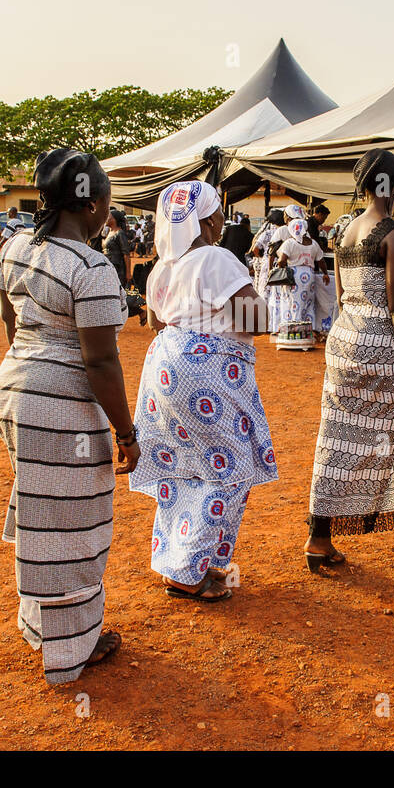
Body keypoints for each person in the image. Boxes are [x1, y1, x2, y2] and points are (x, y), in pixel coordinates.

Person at [0, 148, 137, 684]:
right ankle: (74, 643)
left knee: (40, 510)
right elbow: (99, 359)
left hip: (14, 391)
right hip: (61, 405)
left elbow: (9, 322)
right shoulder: (92, 267)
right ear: (96, 205)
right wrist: (127, 432)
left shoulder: (13, 248)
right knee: (74, 524)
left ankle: (42, 626)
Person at [304, 150, 394, 573]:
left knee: (336, 439)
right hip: (382, 348)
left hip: (343, 342)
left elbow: (340, 296)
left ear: (363, 184)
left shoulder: (343, 232)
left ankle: (319, 537)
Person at [130, 180, 275, 601]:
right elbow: (256, 321)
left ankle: (184, 560)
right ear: (209, 218)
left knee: (183, 468)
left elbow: (156, 321)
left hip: (165, 368)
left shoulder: (162, 266)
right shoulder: (215, 258)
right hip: (208, 372)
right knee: (227, 467)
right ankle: (189, 572)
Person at [271, 218, 328, 337]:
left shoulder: (290, 243)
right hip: (310, 275)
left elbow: (281, 260)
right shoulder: (313, 243)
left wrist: (283, 269)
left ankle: (294, 333)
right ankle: (307, 333)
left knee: (293, 304)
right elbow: (321, 261)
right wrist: (325, 274)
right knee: (308, 304)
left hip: (294, 275)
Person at [102, 208, 131, 289]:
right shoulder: (109, 233)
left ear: (114, 220)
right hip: (109, 266)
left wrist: (128, 273)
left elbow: (126, 254)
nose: (106, 218)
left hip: (118, 268)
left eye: (109, 217)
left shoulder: (120, 233)